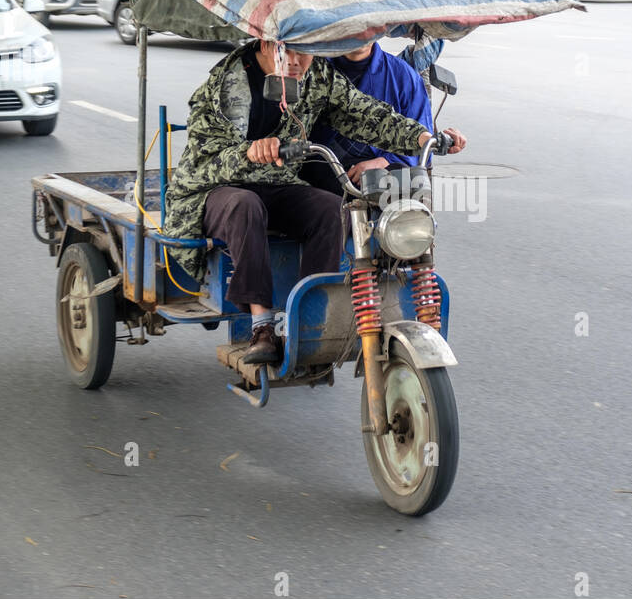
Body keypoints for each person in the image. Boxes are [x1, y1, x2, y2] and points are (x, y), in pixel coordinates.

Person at [163, 39, 466, 365]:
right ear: (266, 44)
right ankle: (262, 327)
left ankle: (309, 321)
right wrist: (248, 152)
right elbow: (204, 160)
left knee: (331, 209)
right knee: (245, 205)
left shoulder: (318, 76)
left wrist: (421, 136)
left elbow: (364, 113)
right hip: (212, 189)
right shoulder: (227, 82)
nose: (295, 61)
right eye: (286, 50)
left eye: (303, 51)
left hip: (277, 182)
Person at [302, 41, 434, 193]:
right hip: (318, 165)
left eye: (367, 27)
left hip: (380, 171)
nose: (360, 35)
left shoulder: (404, 76)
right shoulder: (314, 70)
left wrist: (383, 161)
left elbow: (421, 143)